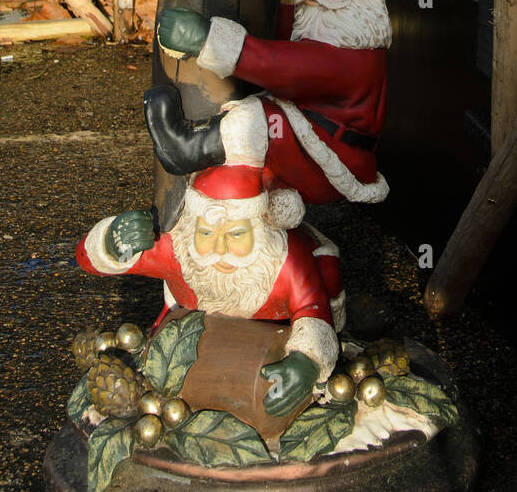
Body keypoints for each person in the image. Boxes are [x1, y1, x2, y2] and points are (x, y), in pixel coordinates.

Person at [147, 0, 392, 204]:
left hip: (330, 160)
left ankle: (189, 148)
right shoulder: (328, 25)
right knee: (254, 147)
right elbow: (282, 25)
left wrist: (207, 39)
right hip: (311, 144)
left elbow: (284, 67)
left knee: (263, 119)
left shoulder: (353, 59)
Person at [76, 165, 340, 417]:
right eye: (206, 233)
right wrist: (112, 242)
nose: (220, 248)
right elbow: (87, 259)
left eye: (236, 235)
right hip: (189, 343)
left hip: (268, 346)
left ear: (258, 231)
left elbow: (312, 309)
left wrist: (307, 361)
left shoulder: (284, 262)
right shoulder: (180, 251)